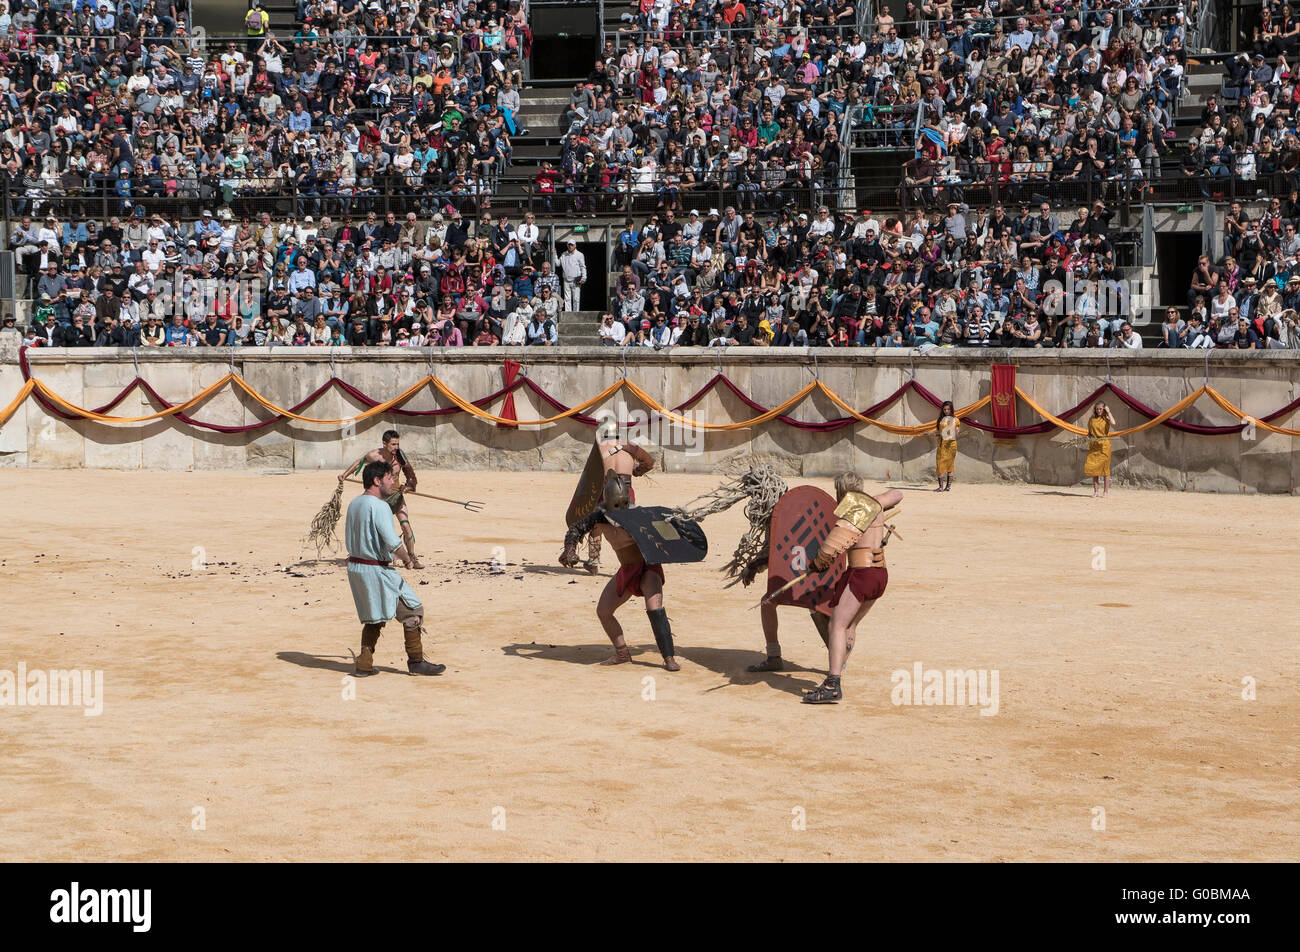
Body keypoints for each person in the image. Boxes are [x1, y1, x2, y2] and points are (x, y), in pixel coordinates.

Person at [802, 474, 903, 705]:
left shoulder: (854, 512)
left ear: (840, 492)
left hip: (861, 574)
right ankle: (839, 666)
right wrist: (874, 501)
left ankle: (832, 684)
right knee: (851, 624)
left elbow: (828, 552)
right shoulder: (875, 505)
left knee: (836, 625)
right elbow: (898, 494)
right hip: (880, 575)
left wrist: (816, 566)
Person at [345, 462, 444, 678]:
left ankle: (364, 664)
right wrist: (408, 559)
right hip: (377, 570)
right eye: (390, 478)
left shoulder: (354, 503)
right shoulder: (380, 506)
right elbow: (392, 541)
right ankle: (416, 661)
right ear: (377, 481)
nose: (393, 483)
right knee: (412, 611)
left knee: (375, 616)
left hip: (356, 568)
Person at [339, 429, 423, 569]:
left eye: (397, 444)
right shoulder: (374, 456)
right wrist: (344, 475)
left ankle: (412, 556)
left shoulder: (400, 457)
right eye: (393, 444)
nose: (396, 447)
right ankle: (358, 554)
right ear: (384, 444)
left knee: (406, 525)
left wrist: (408, 486)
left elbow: (411, 476)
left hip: (396, 494)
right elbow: (358, 463)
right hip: (379, 497)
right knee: (372, 526)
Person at [1085, 402, 1117, 498]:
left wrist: (1108, 411)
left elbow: (1114, 423)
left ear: (1104, 409)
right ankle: (1095, 491)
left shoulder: (1106, 418)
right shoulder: (1092, 419)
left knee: (1105, 469)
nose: (1099, 411)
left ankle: (1105, 492)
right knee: (1094, 468)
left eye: (1101, 409)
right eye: (1097, 409)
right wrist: (1088, 438)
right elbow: (1089, 432)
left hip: (1104, 446)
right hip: (1094, 445)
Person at [934, 400, 959, 491]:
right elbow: (939, 432)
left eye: (948, 409)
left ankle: (948, 487)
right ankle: (940, 487)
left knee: (950, 465)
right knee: (939, 465)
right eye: (944, 409)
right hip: (941, 445)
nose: (946, 411)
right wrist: (933, 434)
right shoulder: (940, 420)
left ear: (951, 410)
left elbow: (957, 434)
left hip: (951, 445)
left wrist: (956, 432)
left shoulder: (956, 420)